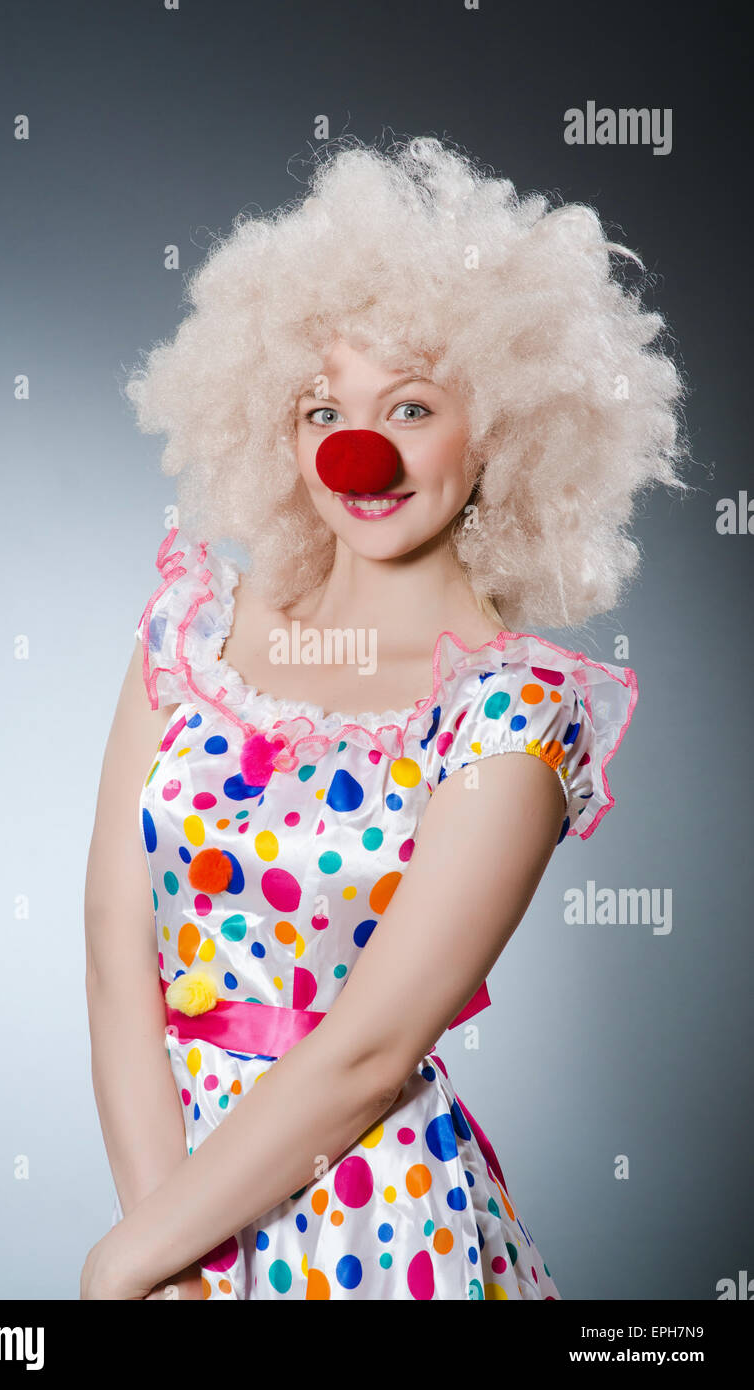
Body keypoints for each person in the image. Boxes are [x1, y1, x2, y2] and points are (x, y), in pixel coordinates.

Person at [80, 135, 689, 1300]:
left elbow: (364, 1054)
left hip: (377, 1227)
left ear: (502, 423)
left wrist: (121, 1265)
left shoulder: (513, 713)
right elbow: (116, 947)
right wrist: (166, 1253)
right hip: (172, 1202)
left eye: (409, 405)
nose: (358, 449)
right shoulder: (192, 628)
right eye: (322, 408)